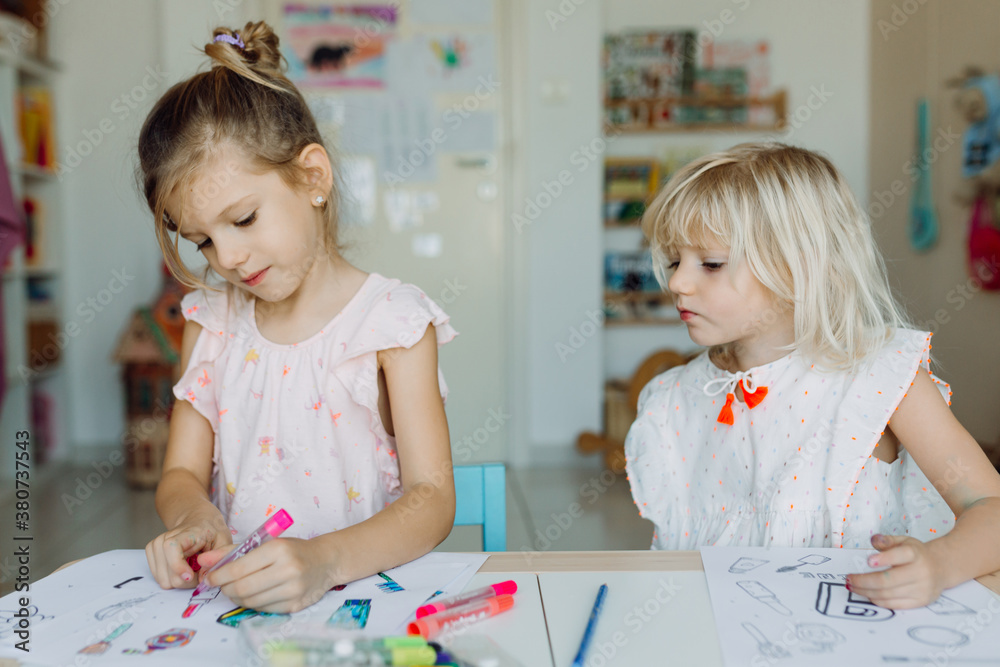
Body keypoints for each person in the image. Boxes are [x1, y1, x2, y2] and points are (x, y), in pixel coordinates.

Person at [137, 22, 456, 613]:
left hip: (364, 604)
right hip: (243, 611)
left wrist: (323, 562)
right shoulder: (213, 322)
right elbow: (181, 469)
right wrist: (192, 517)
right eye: (202, 241)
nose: (226, 258)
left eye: (244, 219)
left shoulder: (393, 323)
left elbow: (432, 498)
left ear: (313, 177)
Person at [625, 142, 1000, 608]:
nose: (679, 282)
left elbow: (991, 509)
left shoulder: (878, 379)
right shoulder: (672, 401)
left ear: (799, 267)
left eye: (712, 263)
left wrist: (939, 564)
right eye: (674, 261)